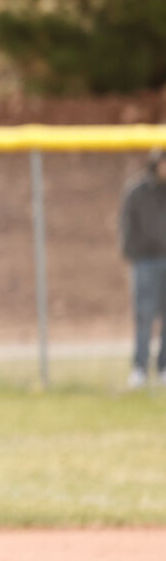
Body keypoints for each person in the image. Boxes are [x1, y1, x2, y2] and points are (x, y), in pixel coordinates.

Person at [119, 147, 166, 389]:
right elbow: (127, 225)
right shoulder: (138, 191)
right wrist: (132, 253)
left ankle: (163, 367)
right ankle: (139, 368)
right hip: (145, 261)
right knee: (144, 316)